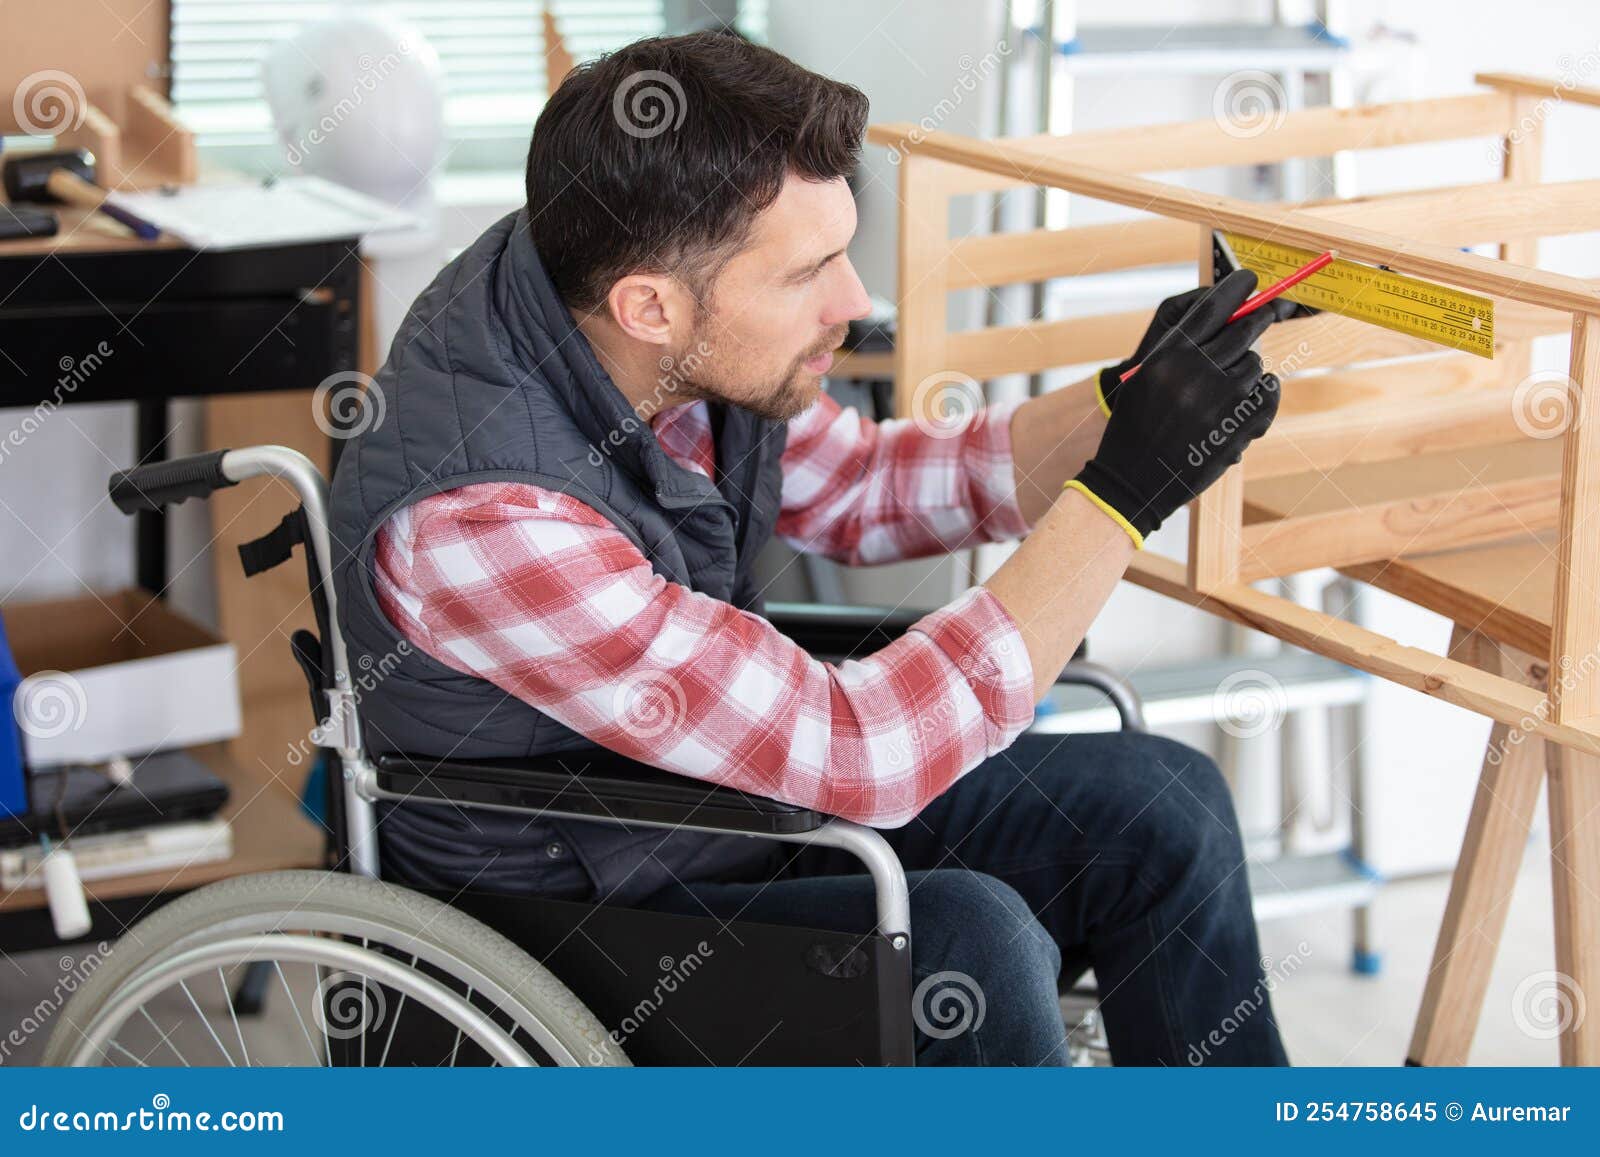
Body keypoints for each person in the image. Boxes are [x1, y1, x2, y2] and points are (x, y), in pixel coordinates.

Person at [328, 29, 1295, 1066]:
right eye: (811, 271)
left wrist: (1126, 403)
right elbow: (864, 752)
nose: (853, 303)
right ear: (650, 304)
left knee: (1162, 807)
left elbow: (871, 490)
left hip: (698, 808)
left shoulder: (633, 303)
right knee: (963, 944)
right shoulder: (488, 521)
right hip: (570, 916)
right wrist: (1120, 499)